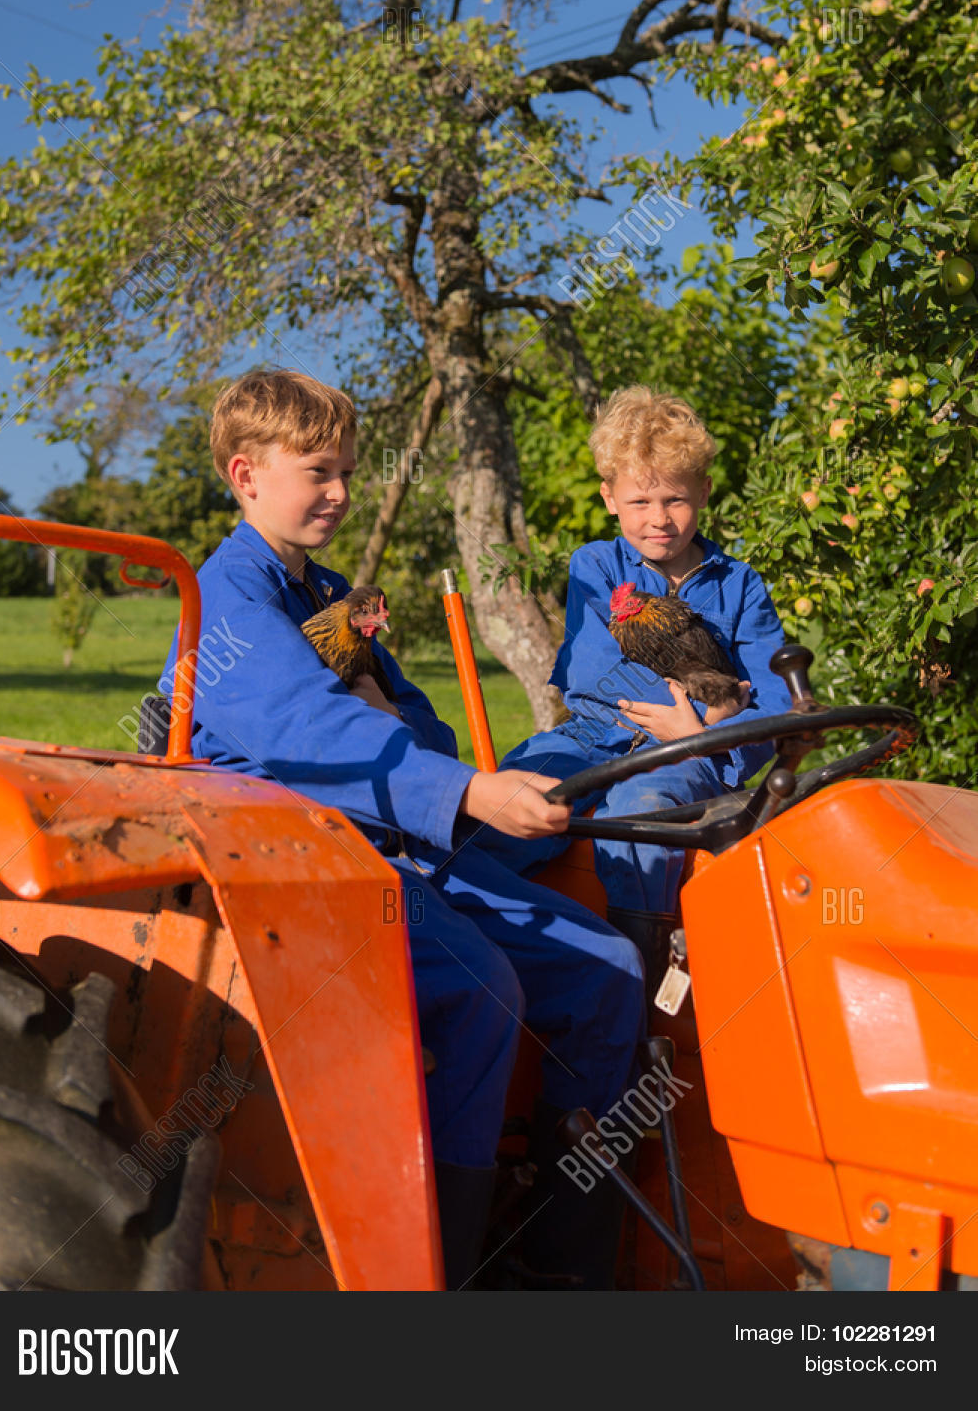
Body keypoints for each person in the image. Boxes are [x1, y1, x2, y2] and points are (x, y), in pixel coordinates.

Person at [157, 368, 645, 1291]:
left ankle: (562, 1268)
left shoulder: (334, 592)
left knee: (607, 969)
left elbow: (423, 731)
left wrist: (425, 748)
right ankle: (438, 1278)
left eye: (346, 470)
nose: (340, 493)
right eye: (318, 472)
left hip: (395, 836)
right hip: (299, 856)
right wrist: (463, 790)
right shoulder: (226, 601)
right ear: (246, 474)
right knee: (483, 990)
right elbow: (308, 730)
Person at [487, 386, 790, 970]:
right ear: (610, 498)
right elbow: (598, 670)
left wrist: (705, 738)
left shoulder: (741, 584)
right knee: (507, 805)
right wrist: (709, 715)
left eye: (675, 499)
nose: (659, 518)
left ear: (703, 492)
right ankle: (500, 942)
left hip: (692, 754)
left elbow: (773, 700)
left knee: (641, 812)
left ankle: (641, 967)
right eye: (641, 501)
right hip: (589, 739)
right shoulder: (596, 566)